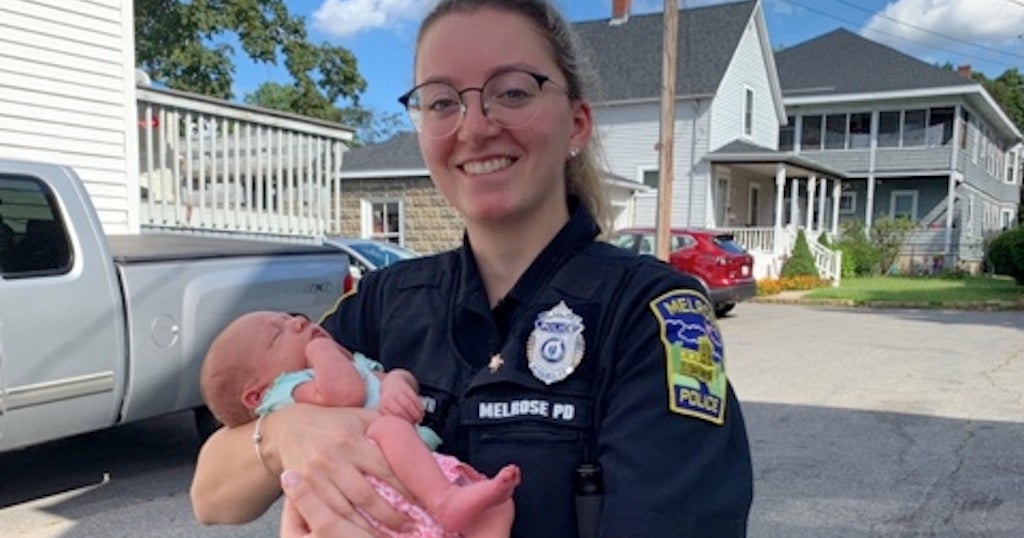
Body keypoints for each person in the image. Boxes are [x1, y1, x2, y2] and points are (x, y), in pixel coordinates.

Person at [190, 1, 754, 536]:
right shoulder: (385, 302)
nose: (475, 125)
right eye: (441, 102)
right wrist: (285, 433)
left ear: (578, 124)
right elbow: (210, 495)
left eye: (511, 92)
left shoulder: (650, 315)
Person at [199, 311, 519, 538]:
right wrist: (320, 349)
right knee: (388, 428)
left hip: (425, 472)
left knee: (497, 507)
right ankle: (445, 502)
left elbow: (388, 378)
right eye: (276, 335)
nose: (298, 321)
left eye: (290, 317)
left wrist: (397, 382)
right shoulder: (288, 388)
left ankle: (454, 506)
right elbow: (345, 392)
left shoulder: (350, 361)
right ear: (256, 395)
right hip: (380, 496)